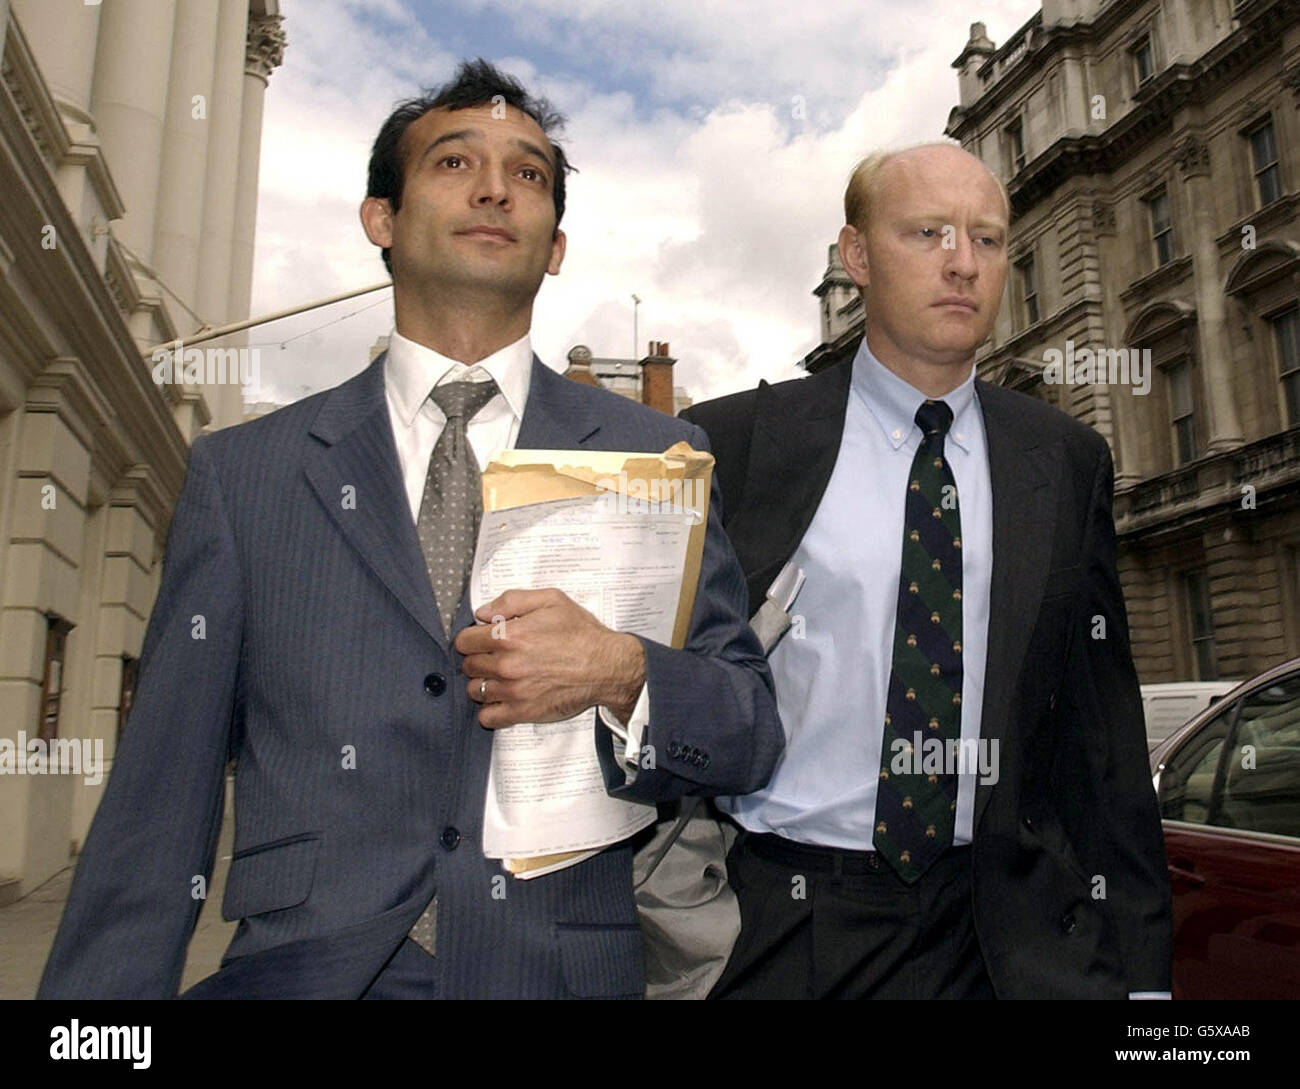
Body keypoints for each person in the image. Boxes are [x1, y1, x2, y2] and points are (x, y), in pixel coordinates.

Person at [38, 59, 782, 1000]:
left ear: (555, 245)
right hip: (309, 975)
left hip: (560, 974)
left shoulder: (661, 460)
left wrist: (624, 672)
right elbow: (157, 806)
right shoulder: (246, 475)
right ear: (380, 219)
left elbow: (748, 729)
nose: (493, 189)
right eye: (453, 162)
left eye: (529, 175)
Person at [681, 142, 1172, 999]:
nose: (962, 263)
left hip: (1011, 932)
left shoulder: (1063, 459)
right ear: (857, 256)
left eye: (986, 239)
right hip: (793, 918)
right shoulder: (733, 443)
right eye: (928, 233)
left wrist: (1143, 976)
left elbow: (1103, 745)